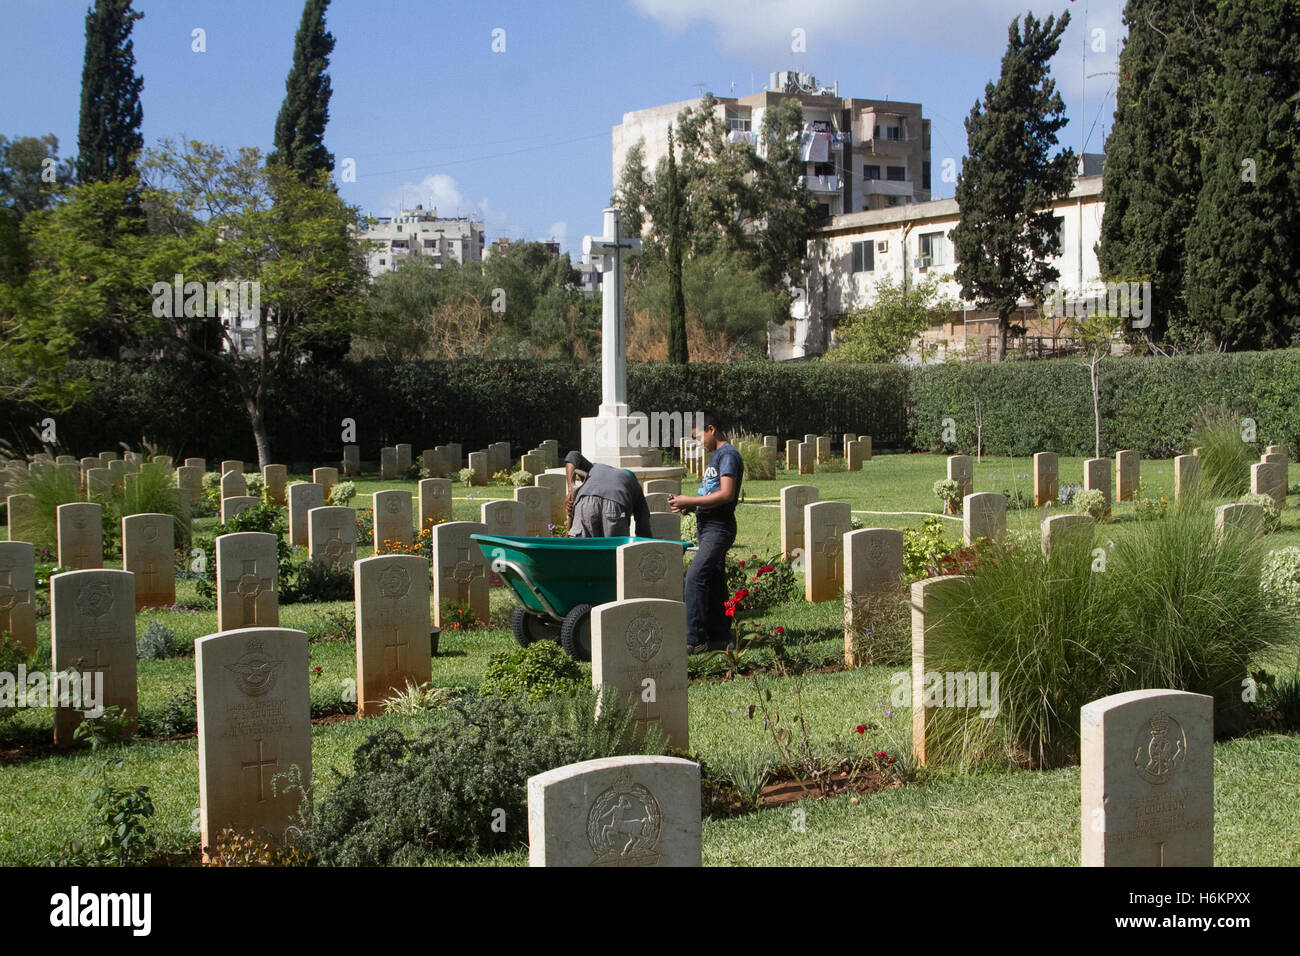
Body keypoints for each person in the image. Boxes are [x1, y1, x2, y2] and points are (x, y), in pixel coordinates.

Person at [668, 410, 743, 653]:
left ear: (711, 429)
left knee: (694, 576)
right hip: (708, 525)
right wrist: (692, 505)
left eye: (698, 436)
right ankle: (720, 638)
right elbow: (710, 493)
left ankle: (695, 639)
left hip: (718, 528)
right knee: (714, 579)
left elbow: (726, 494)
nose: (698, 442)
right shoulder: (717, 456)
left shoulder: (728, 455)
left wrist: (691, 500)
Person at [563, 450, 654, 538]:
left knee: (581, 548)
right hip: (615, 505)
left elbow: (573, 455)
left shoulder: (593, 467)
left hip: (585, 502)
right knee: (614, 550)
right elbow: (643, 523)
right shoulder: (633, 483)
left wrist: (570, 491)